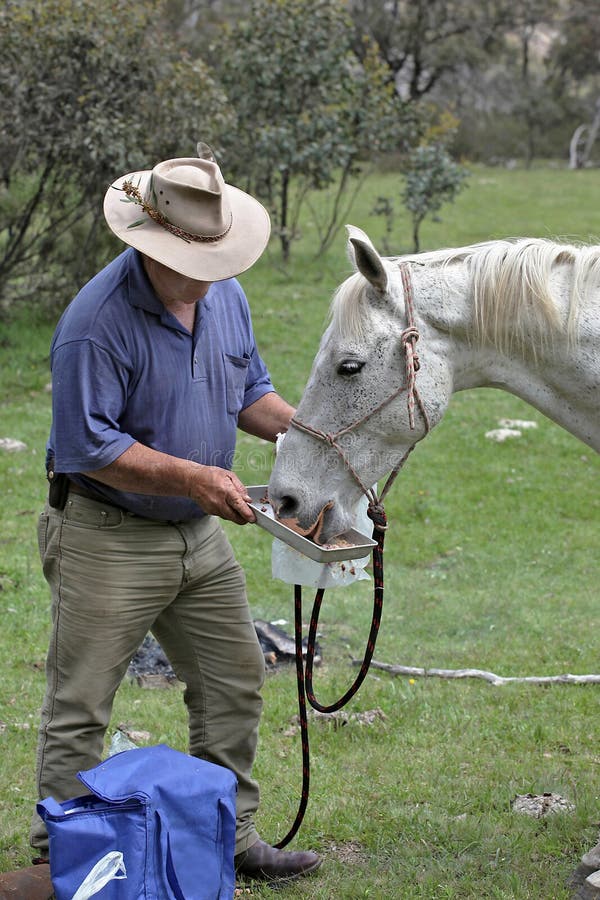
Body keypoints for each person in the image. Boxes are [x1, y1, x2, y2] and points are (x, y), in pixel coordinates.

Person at [27, 146, 322, 886]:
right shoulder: (95, 322)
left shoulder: (224, 294)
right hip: (107, 533)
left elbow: (248, 389)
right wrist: (193, 477)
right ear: (152, 247)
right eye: (201, 256)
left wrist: (316, 442)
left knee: (235, 678)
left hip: (198, 531)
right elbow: (86, 445)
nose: (218, 270)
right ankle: (66, 860)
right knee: (82, 703)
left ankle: (230, 836)